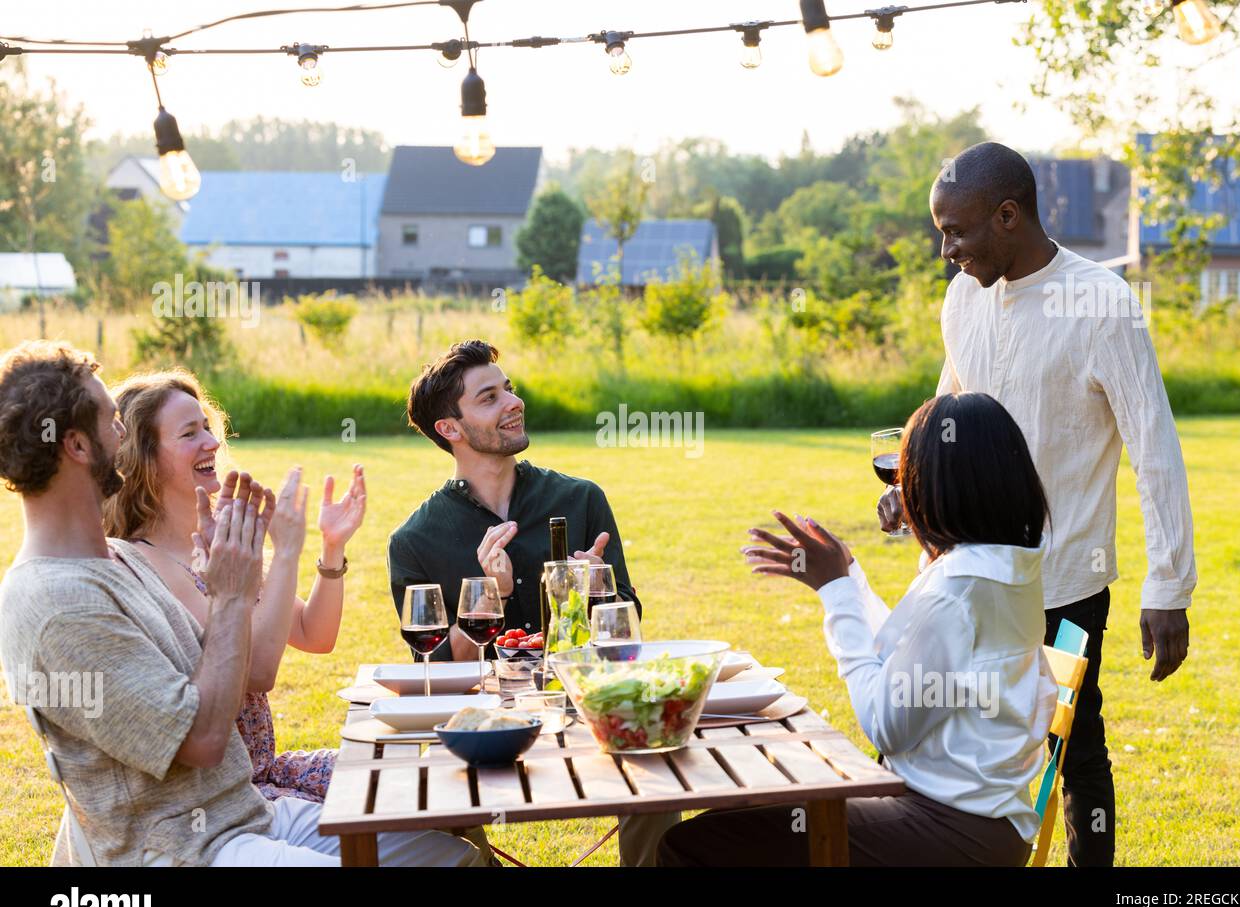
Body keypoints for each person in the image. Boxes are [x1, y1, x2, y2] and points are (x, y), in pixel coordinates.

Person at [0, 341, 479, 866]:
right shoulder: (61, 604)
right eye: (111, 421)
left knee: (453, 856)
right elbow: (203, 739)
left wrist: (246, 573)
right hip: (180, 849)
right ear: (75, 445)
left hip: (245, 813)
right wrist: (231, 590)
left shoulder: (114, 560)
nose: (122, 433)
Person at [883, 141, 1197, 866]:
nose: (945, 249)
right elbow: (948, 414)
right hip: (967, 577)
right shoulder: (962, 299)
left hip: (1065, 582)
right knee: (941, 732)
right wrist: (912, 490)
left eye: (956, 231)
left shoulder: (1102, 305)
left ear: (1007, 215)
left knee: (1074, 748)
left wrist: (1168, 585)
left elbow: (1154, 447)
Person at [658, 392, 1059, 866]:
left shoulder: (957, 592)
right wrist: (848, 576)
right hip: (985, 823)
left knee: (692, 845)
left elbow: (887, 725)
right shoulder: (1004, 566)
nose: (900, 488)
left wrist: (836, 594)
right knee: (745, 816)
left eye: (910, 474)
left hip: (950, 829)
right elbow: (916, 655)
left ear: (935, 484)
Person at [387, 338, 669, 867]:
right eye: (489, 397)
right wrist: (484, 603)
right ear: (450, 429)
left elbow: (627, 627)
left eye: (508, 389)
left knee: (651, 763)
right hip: (482, 722)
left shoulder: (581, 500)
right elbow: (435, 670)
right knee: (445, 803)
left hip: (586, 707)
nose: (513, 402)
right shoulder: (415, 540)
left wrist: (598, 591)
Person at [103, 370, 366, 803]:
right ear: (143, 459)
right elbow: (259, 671)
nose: (211, 442)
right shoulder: (142, 563)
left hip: (266, 771)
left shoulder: (218, 543)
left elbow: (315, 635)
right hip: (228, 796)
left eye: (207, 426)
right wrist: (283, 553)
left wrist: (332, 549)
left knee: (407, 780)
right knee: (405, 817)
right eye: (190, 433)